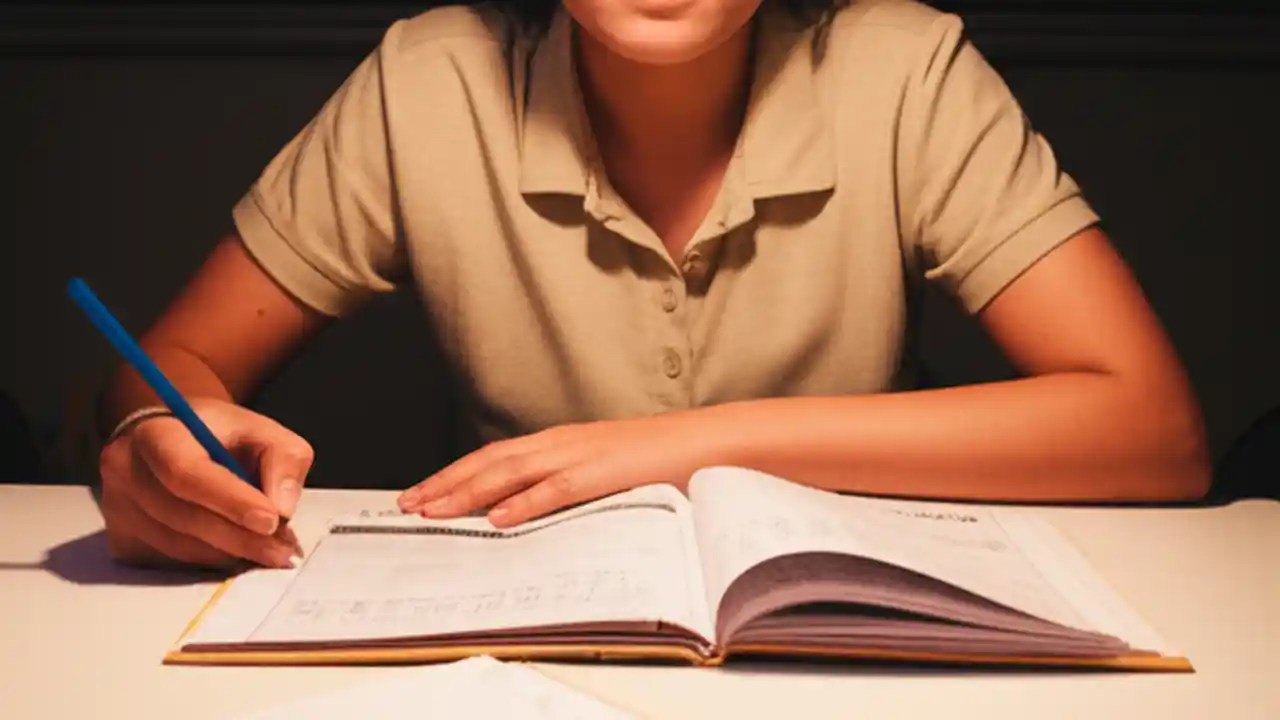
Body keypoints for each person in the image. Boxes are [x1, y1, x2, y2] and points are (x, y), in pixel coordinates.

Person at [94, 0, 1210, 570]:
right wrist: (156, 435)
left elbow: (1151, 429)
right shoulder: (429, 79)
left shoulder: (900, 66)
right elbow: (162, 373)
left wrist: (693, 445)